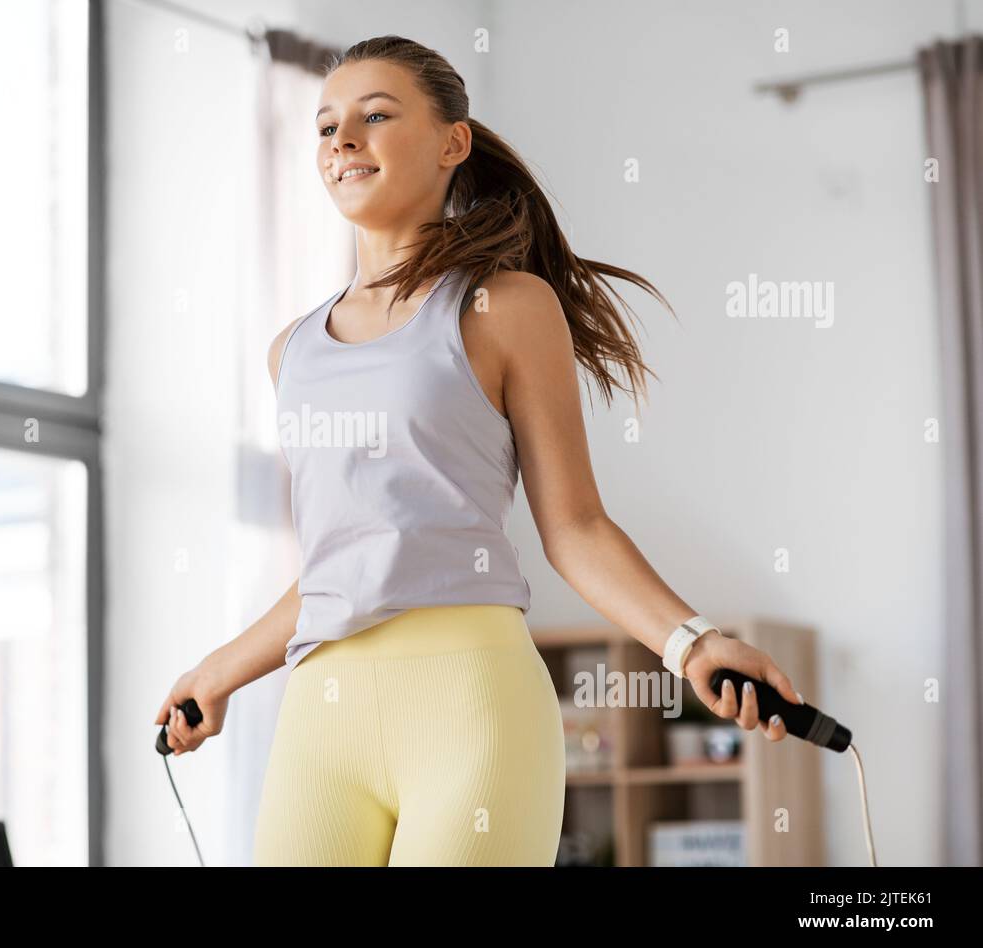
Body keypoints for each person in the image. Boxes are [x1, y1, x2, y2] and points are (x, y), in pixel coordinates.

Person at [154, 34, 802, 866]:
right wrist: (218, 671)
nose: (342, 141)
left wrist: (694, 643)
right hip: (322, 712)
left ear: (451, 142)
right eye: (326, 127)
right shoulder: (292, 352)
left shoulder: (506, 306)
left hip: (471, 705)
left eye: (375, 116)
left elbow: (574, 528)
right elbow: (336, 569)